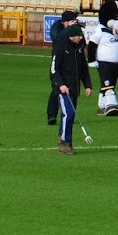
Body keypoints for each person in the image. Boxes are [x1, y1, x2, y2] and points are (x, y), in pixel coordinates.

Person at [49, 20, 93, 154]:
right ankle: (65, 142)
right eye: (78, 35)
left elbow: (83, 69)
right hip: (63, 89)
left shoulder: (79, 49)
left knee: (68, 115)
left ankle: (63, 139)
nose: (80, 37)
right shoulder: (61, 48)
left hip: (74, 88)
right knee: (68, 113)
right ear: (71, 36)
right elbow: (54, 69)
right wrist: (61, 85)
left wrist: (88, 85)